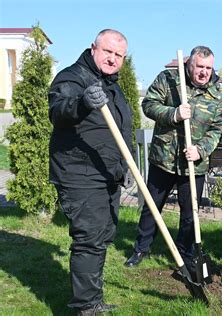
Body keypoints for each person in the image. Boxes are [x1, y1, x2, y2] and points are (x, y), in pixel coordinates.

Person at [48, 29, 133, 315]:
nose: (112, 58)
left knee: (101, 236)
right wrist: (83, 102)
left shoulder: (111, 84)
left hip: (106, 173)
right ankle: (86, 307)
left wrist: (125, 164)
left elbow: (120, 130)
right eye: (108, 51)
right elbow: (59, 111)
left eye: (118, 55)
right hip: (80, 174)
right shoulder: (73, 78)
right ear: (93, 48)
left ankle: (92, 299)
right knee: (89, 238)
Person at [124, 46, 222, 274]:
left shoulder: (219, 94)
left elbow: (219, 127)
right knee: (152, 206)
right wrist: (174, 114)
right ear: (189, 64)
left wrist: (201, 150)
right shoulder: (170, 79)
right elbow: (148, 105)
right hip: (164, 158)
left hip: (194, 163)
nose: (204, 72)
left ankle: (185, 253)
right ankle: (141, 248)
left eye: (208, 68)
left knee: (190, 212)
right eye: (199, 67)